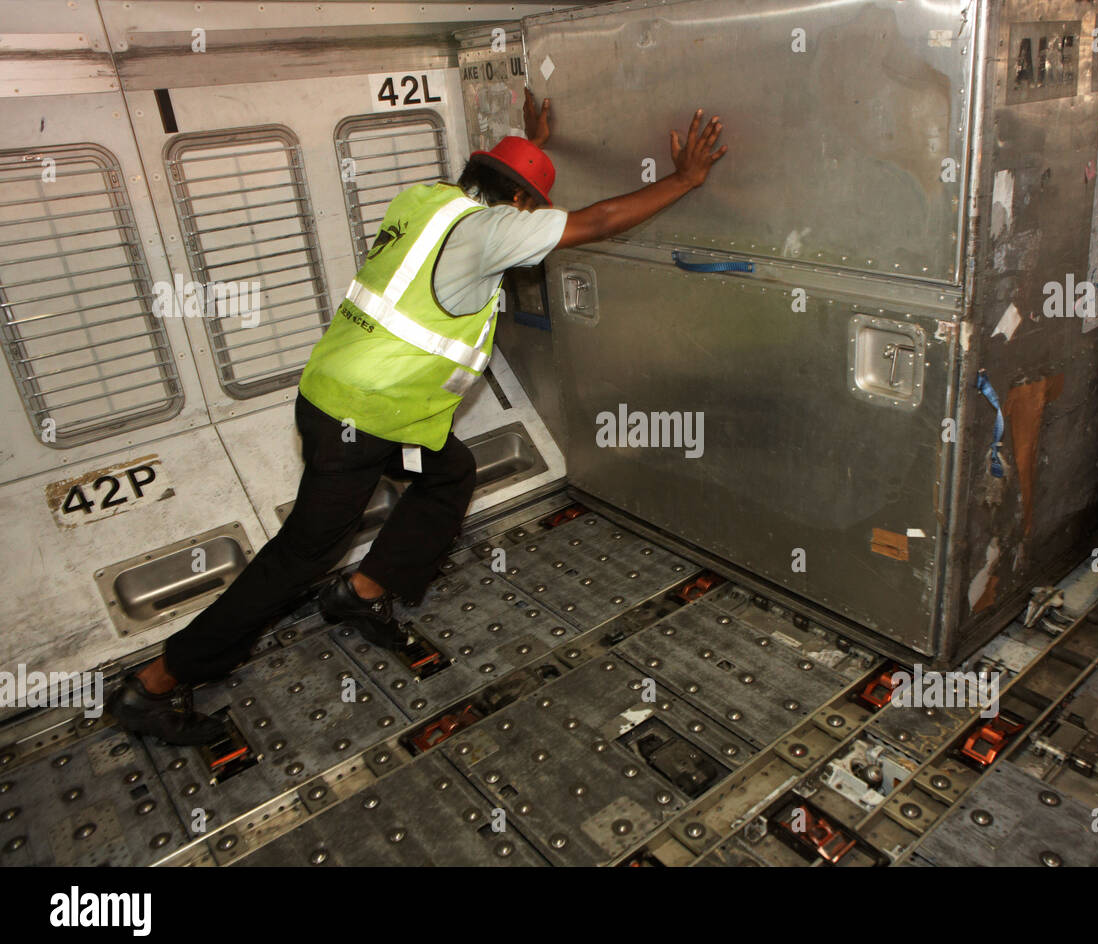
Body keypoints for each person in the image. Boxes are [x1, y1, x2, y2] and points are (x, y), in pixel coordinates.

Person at [108, 92, 728, 744]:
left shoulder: (424, 201)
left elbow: (503, 190)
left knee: (449, 475)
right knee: (299, 556)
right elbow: (599, 221)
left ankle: (364, 591)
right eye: (531, 207)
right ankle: (157, 682)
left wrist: (530, 144)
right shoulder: (493, 231)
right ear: (519, 204)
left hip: (360, 405)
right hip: (362, 420)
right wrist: (685, 178)